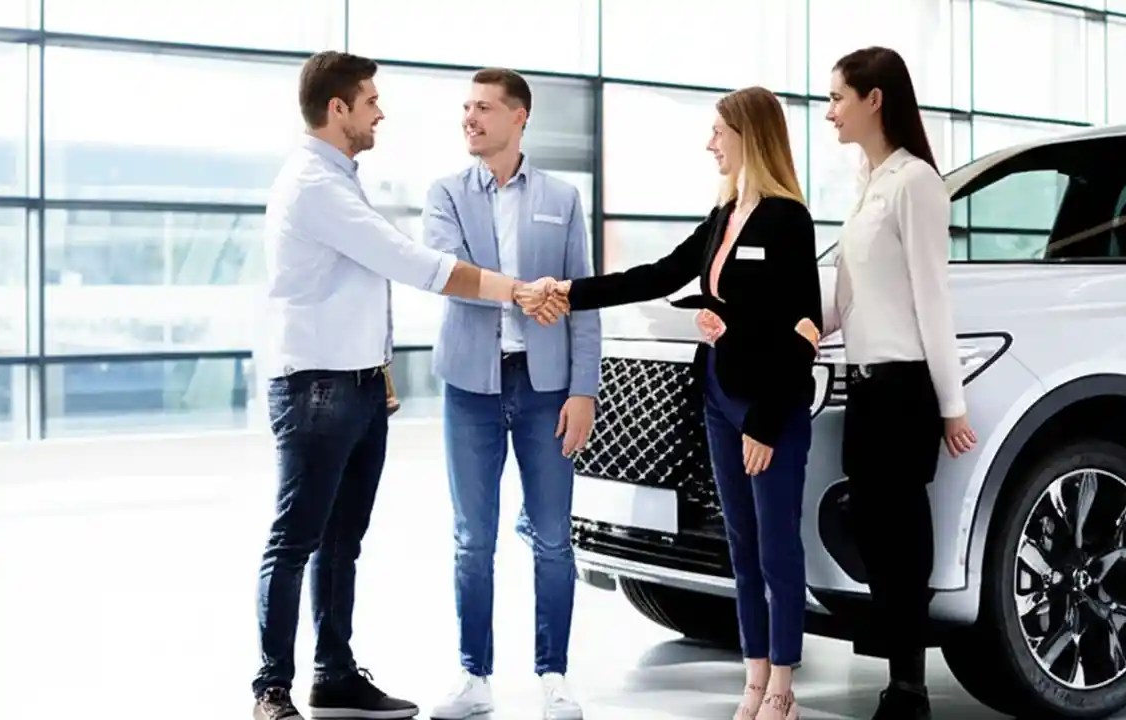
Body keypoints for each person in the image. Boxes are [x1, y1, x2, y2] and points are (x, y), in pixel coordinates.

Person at [252, 50, 554, 720]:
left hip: (358, 387)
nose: (379, 113)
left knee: (342, 542)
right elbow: (411, 262)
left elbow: (359, 287)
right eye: (370, 101)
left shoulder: (339, 178)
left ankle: (333, 674)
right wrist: (515, 290)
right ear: (338, 109)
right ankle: (271, 688)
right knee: (296, 539)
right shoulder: (314, 185)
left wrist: (379, 373)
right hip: (317, 388)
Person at [523, 86, 821, 720]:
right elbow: (657, 275)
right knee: (741, 548)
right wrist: (569, 291)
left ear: (750, 136)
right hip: (717, 396)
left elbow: (804, 326)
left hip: (768, 408)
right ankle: (754, 678)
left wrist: (766, 420)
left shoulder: (788, 218)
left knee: (776, 549)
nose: (710, 143)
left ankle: (783, 687)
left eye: (719, 131)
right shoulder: (723, 216)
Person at [421, 67, 599, 720]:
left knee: (553, 537)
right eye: (467, 107)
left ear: (520, 116)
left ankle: (554, 675)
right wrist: (521, 292)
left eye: (485, 108)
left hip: (546, 387)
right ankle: (474, 676)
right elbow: (449, 275)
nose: (470, 118)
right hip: (470, 385)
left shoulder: (562, 197)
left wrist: (584, 390)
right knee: (473, 539)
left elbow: (583, 299)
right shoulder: (445, 193)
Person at [820, 46, 977, 720]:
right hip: (865, 389)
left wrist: (952, 405)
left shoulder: (915, 183)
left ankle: (909, 689)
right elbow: (848, 295)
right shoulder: (869, 185)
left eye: (837, 98)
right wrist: (798, 329)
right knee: (875, 536)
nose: (830, 112)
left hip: (906, 390)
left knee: (901, 543)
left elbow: (932, 298)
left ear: (874, 99)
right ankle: (898, 676)